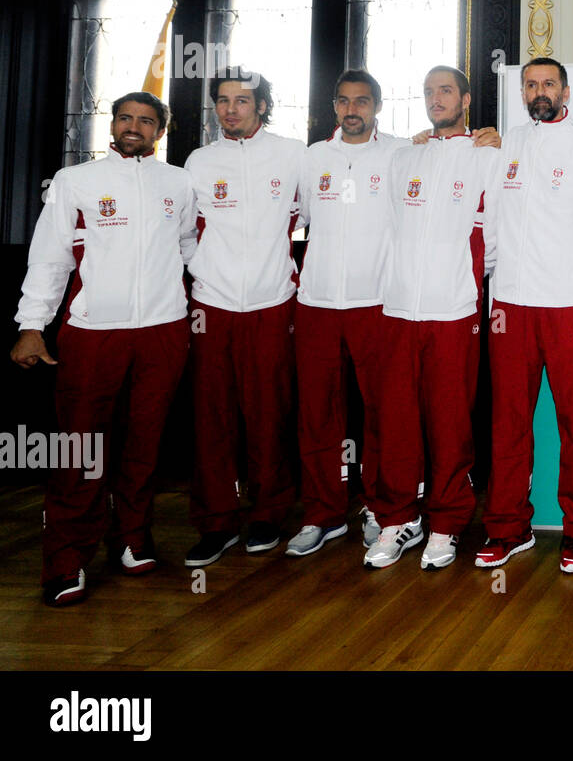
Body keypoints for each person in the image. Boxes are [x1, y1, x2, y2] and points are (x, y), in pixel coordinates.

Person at [12, 93, 193, 606]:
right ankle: (66, 560)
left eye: (146, 121)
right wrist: (31, 324)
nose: (134, 127)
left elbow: (187, 249)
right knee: (80, 449)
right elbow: (49, 258)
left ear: (160, 130)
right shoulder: (77, 181)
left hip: (162, 329)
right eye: (125, 118)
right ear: (112, 124)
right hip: (94, 332)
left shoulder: (177, 183)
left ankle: (132, 538)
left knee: (145, 443)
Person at [476, 57, 573, 574]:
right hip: (510, 306)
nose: (539, 92)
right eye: (530, 85)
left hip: (569, 307)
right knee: (508, 424)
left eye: (548, 84)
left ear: (566, 90)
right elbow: (489, 222)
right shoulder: (504, 147)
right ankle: (507, 527)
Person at [364, 66, 499, 570]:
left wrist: (466, 286)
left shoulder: (488, 156)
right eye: (427, 92)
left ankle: (445, 524)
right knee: (396, 422)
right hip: (398, 309)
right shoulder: (405, 158)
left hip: (453, 310)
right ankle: (396, 519)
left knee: (448, 424)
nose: (435, 99)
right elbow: (389, 232)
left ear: (465, 98)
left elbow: (494, 238)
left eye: (445, 90)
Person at [182, 68, 306, 567]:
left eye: (242, 100)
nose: (231, 109)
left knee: (269, 414)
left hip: (273, 301)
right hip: (212, 305)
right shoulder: (197, 161)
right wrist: (204, 269)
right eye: (223, 101)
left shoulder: (293, 153)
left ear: (261, 105)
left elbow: (316, 208)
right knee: (212, 419)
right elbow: (185, 230)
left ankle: (268, 514)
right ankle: (216, 523)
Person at [287, 70, 407, 558]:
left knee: (382, 412)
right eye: (343, 102)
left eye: (362, 101)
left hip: (377, 303)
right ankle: (322, 512)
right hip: (316, 303)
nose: (352, 109)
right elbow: (296, 222)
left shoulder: (402, 153)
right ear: (334, 107)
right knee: (317, 414)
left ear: (378, 106)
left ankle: (381, 508)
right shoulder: (312, 158)